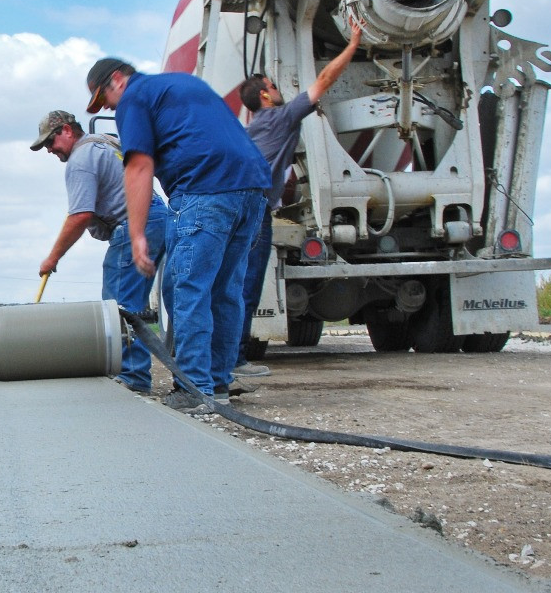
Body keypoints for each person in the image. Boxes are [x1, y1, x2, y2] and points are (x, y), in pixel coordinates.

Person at [86, 57, 271, 410]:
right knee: (225, 291)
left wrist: (137, 233)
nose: (108, 106)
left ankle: (194, 388)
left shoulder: (134, 98)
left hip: (205, 190)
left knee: (188, 289)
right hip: (251, 192)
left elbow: (139, 166)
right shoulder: (187, 85)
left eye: (103, 98)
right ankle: (216, 384)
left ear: (118, 79)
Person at [234, 20, 365, 376]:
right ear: (264, 95)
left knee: (234, 283)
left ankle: (226, 358)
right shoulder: (279, 118)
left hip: (235, 205)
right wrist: (353, 43)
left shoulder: (250, 128)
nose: (276, 90)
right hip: (254, 208)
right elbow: (323, 83)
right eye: (272, 86)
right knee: (248, 285)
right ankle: (235, 361)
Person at [30, 110, 170, 395]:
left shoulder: (80, 160)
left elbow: (80, 216)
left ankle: (133, 378)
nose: (49, 150)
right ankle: (138, 373)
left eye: (50, 141)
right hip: (158, 218)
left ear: (67, 131)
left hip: (133, 223)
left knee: (120, 306)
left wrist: (53, 257)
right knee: (136, 304)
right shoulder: (105, 144)